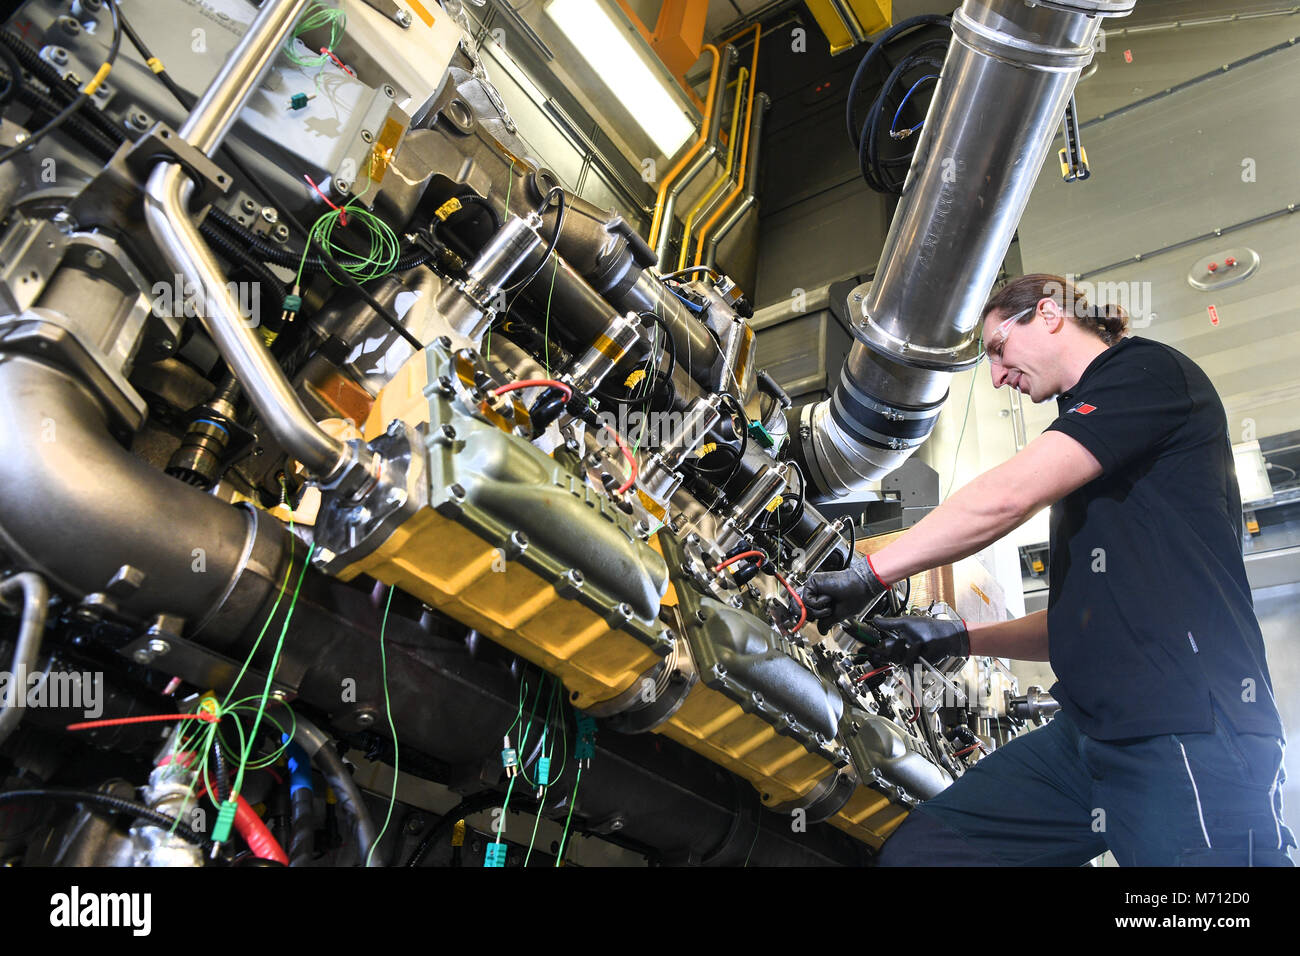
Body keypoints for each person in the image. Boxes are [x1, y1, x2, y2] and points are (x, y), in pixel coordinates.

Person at [802, 273, 1293, 866]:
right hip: (1088, 738)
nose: (996, 376)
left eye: (997, 349)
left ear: (1049, 314)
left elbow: (1008, 497)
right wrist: (959, 637)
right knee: (925, 855)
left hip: (1186, 724)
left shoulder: (1146, 374)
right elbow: (1074, 621)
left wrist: (870, 573)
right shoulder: (1100, 455)